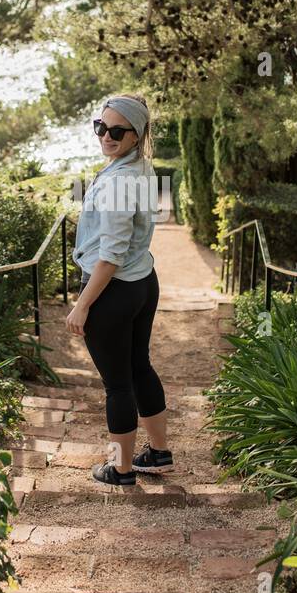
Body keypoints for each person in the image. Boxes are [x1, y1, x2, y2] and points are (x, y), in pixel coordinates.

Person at [65, 93, 172, 486]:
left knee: (117, 383)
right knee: (139, 365)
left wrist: (82, 305)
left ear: (135, 135)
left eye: (115, 131)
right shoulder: (143, 168)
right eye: (100, 127)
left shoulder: (119, 181)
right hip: (143, 281)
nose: (105, 136)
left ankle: (121, 468)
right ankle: (159, 453)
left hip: (113, 289)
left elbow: (109, 256)